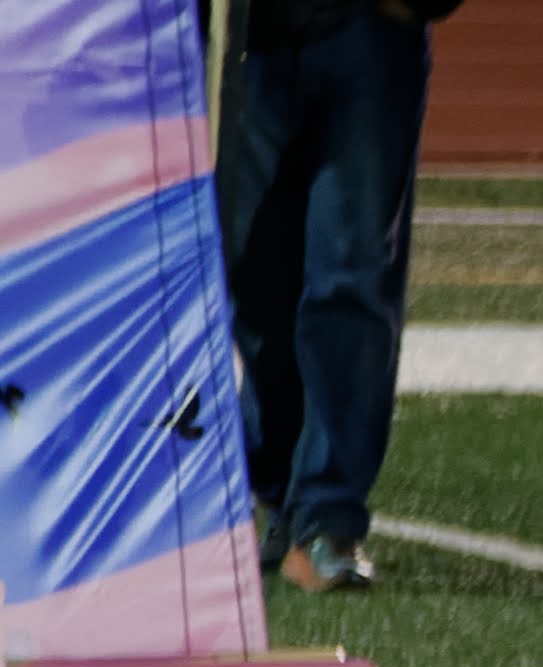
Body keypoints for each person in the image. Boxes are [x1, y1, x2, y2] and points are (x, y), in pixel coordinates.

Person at [217, 0, 463, 591]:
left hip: (370, 28)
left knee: (352, 278)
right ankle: (280, 492)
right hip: (253, 35)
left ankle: (328, 519)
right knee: (254, 281)